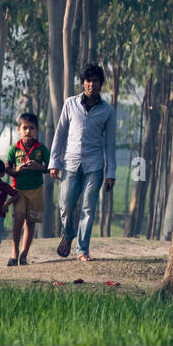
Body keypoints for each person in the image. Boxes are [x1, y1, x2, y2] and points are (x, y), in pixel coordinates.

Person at [49, 64, 116, 262]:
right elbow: (60, 134)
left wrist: (110, 173)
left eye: (95, 80)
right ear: (83, 83)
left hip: (94, 166)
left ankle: (82, 250)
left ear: (101, 84)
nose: (91, 84)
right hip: (70, 162)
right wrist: (54, 162)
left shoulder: (108, 111)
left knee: (88, 208)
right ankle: (68, 235)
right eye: (88, 80)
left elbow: (110, 144)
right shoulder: (70, 104)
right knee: (66, 205)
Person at [5, 113, 49, 266]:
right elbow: (7, 168)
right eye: (25, 128)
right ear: (18, 129)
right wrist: (16, 170)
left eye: (31, 128)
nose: (28, 131)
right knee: (18, 219)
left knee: (30, 222)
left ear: (37, 130)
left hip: (36, 190)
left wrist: (39, 167)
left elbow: (50, 168)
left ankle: (24, 254)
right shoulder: (14, 149)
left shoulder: (41, 149)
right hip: (19, 190)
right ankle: (14, 252)